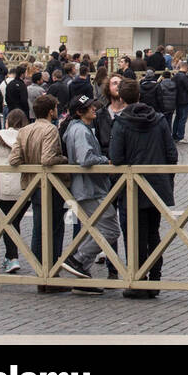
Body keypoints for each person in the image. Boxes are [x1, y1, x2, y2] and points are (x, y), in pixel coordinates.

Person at [109, 78, 178, 298]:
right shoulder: (159, 120)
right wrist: (167, 179)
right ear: (139, 95)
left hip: (132, 187)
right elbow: (172, 154)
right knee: (152, 234)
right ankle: (155, 280)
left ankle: (138, 281)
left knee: (134, 235)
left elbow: (116, 157)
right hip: (156, 185)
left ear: (121, 97)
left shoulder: (120, 123)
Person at [60, 95, 122, 292]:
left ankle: (83, 276)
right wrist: (106, 160)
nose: (94, 109)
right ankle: (77, 259)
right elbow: (85, 159)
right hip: (89, 188)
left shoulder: (80, 128)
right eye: (89, 107)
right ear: (80, 112)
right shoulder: (80, 131)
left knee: (94, 228)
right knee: (111, 228)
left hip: (88, 187)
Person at [9, 94, 68, 292]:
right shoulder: (50, 129)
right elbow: (47, 159)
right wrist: (63, 160)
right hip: (51, 185)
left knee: (38, 228)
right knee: (55, 228)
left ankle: (39, 271)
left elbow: (14, 160)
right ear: (51, 111)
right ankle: (51, 274)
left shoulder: (24, 130)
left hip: (32, 185)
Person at [0, 107, 30, 274]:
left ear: (8, 121)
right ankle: (12, 257)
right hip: (23, 187)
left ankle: (12, 257)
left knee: (6, 222)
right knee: (13, 221)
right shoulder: (26, 136)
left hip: (1, 187)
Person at [172, 61, 188, 141]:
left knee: (177, 117)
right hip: (184, 99)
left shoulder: (175, 76)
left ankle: (174, 134)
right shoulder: (184, 77)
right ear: (186, 68)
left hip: (177, 99)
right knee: (183, 118)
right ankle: (180, 136)